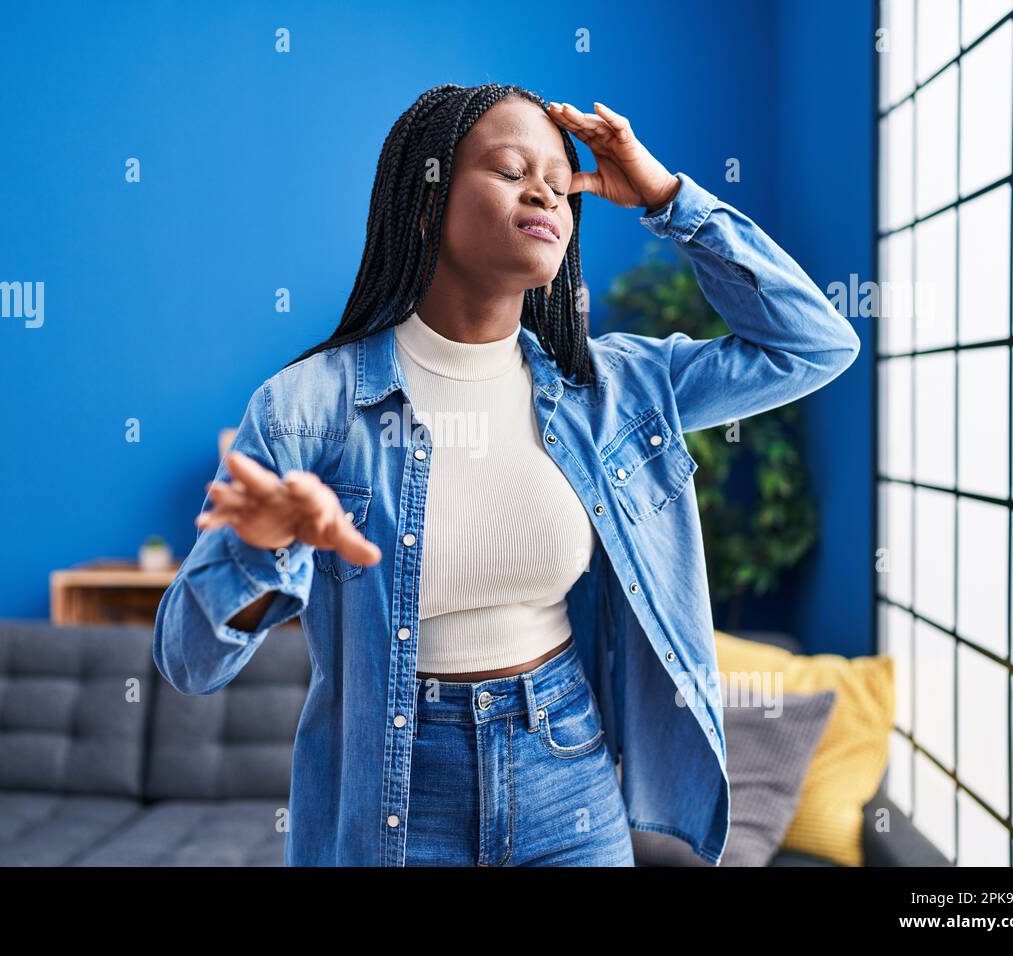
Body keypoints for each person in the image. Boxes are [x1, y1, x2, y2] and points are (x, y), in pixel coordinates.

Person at [153, 83, 859, 866]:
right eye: (511, 169)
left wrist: (666, 196)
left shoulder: (613, 390)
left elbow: (813, 345)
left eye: (561, 183)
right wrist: (260, 548)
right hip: (393, 794)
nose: (544, 193)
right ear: (425, 205)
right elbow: (188, 662)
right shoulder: (308, 406)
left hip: (567, 771)